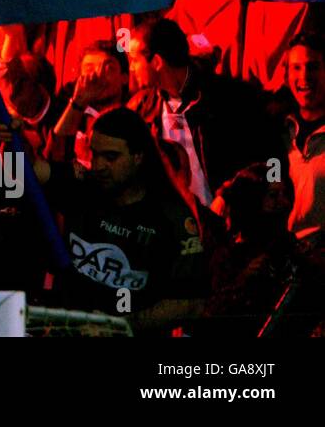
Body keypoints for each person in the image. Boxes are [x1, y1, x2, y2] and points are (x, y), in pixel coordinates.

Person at [34, 107, 211, 334]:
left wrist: (117, 327)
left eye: (111, 157)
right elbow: (26, 170)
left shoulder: (172, 218)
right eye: (94, 154)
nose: (98, 165)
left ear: (138, 157)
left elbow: (190, 304)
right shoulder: (82, 185)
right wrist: (9, 138)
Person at [127, 17, 280, 205]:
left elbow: (271, 153)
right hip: (173, 224)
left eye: (134, 60)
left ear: (157, 62)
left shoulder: (232, 99)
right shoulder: (142, 108)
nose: (131, 68)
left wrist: (231, 196)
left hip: (227, 220)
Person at [203, 163, 325, 336]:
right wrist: (243, 279)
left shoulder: (292, 247)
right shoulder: (228, 254)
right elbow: (210, 314)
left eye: (285, 194)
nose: (283, 202)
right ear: (252, 202)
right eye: (273, 196)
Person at [284, 32, 325, 243]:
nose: (304, 77)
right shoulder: (280, 130)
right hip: (282, 258)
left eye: (313, 67)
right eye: (296, 68)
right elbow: (272, 171)